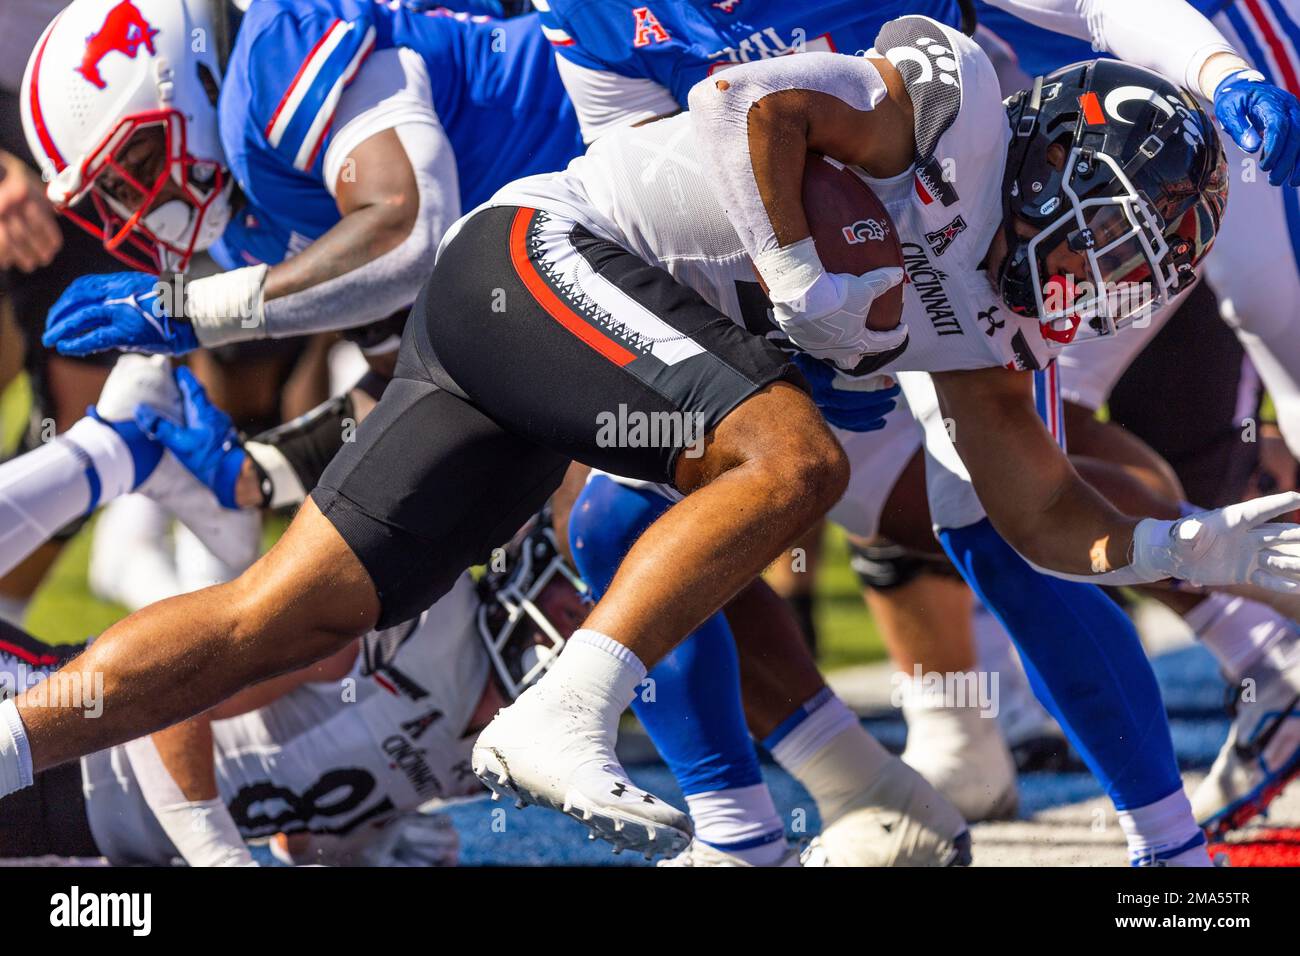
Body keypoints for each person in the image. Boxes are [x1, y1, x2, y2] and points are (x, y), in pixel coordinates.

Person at [9, 18, 1292, 871]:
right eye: (1101, 240)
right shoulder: (949, 106)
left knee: (278, 616)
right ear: (1056, 155)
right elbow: (750, 101)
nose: (1095, 281)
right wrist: (794, 270)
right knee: (793, 459)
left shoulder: (987, 317)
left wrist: (1198, 542)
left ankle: (14, 735)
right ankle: (570, 710)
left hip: (533, 333)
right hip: (534, 261)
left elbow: (1036, 512)